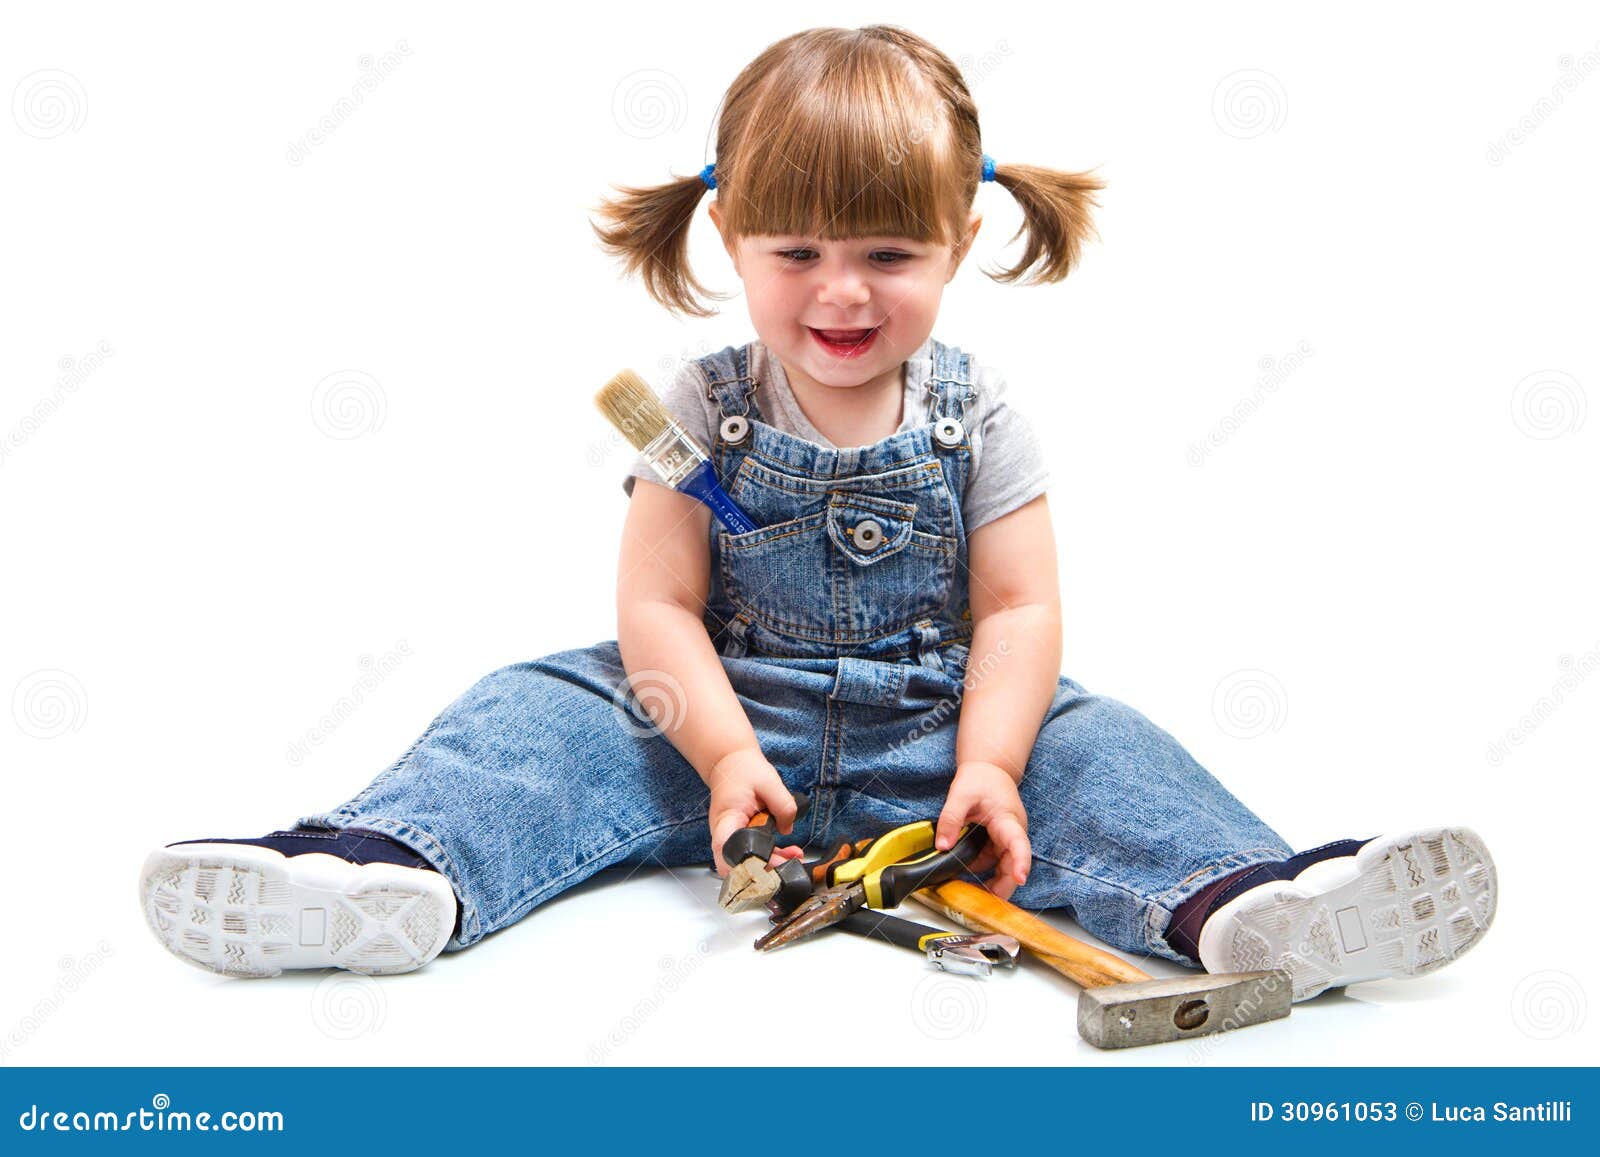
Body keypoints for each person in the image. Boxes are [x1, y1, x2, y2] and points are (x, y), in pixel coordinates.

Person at [138, 24, 1496, 1002]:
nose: (842, 296)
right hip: (723, 719)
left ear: (961, 240)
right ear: (730, 240)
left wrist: (996, 763)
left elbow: (1020, 608)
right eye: (798, 255)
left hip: (940, 727)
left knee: (1107, 746)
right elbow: (657, 604)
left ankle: (1244, 902)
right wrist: (723, 753)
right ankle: (387, 868)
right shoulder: (694, 404)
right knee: (536, 709)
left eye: (889, 256)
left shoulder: (983, 411)